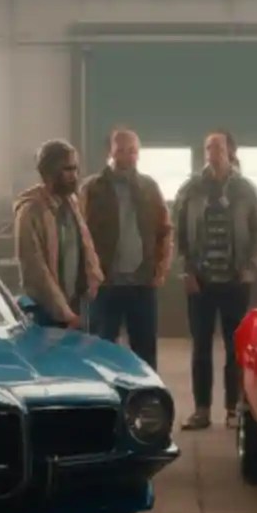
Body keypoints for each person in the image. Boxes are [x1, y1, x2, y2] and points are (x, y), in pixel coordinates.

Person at [174, 129, 257, 430]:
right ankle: (202, 409)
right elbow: (176, 233)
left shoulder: (245, 190)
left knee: (234, 346)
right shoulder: (191, 188)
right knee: (200, 346)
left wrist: (251, 265)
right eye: (207, 147)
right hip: (200, 281)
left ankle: (233, 408)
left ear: (230, 151)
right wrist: (185, 270)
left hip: (234, 280)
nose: (211, 152)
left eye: (217, 146)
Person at [80, 128, 173, 370]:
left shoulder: (149, 187)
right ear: (110, 152)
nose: (127, 156)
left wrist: (161, 269)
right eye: (120, 150)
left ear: (138, 154)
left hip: (142, 283)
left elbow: (165, 230)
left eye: (132, 151)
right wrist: (89, 273)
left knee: (145, 351)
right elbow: (81, 233)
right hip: (105, 284)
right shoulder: (92, 188)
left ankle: (147, 403)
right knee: (101, 348)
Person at [13, 139, 102, 329]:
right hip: (46, 311)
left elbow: (85, 243)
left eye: (76, 169)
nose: (74, 176)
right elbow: (35, 270)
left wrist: (93, 276)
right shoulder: (31, 211)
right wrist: (65, 314)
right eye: (67, 169)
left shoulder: (71, 202)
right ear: (49, 172)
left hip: (76, 305)